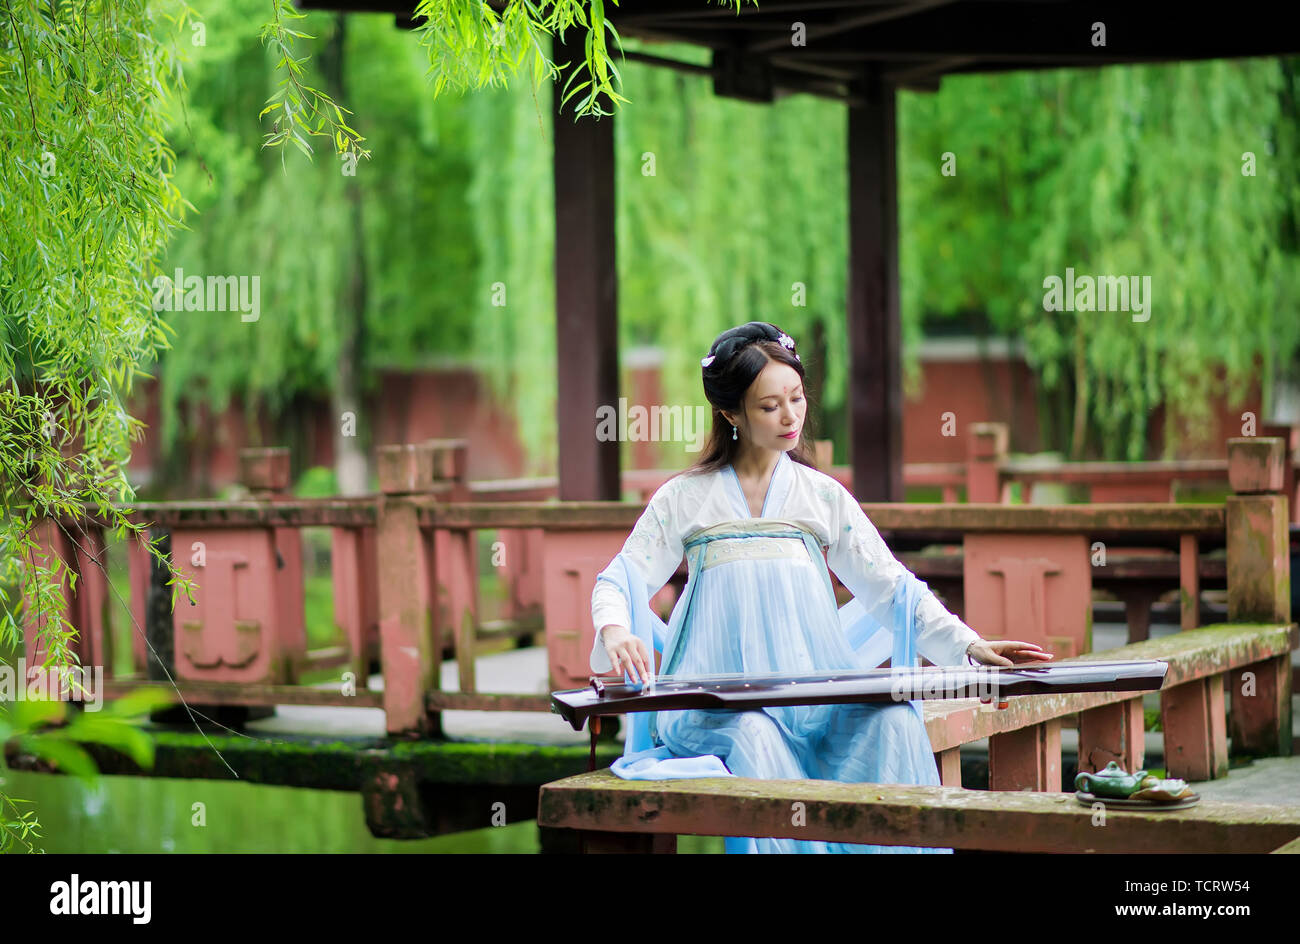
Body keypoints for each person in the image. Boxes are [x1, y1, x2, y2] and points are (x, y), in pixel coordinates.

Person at [589, 321, 1052, 854]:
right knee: (756, 737)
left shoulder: (820, 497)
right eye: (769, 406)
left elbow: (890, 588)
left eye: (797, 398)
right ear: (731, 413)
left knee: (895, 722)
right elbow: (617, 580)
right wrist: (618, 628)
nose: (790, 417)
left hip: (814, 696)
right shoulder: (685, 499)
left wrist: (969, 647)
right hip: (715, 707)